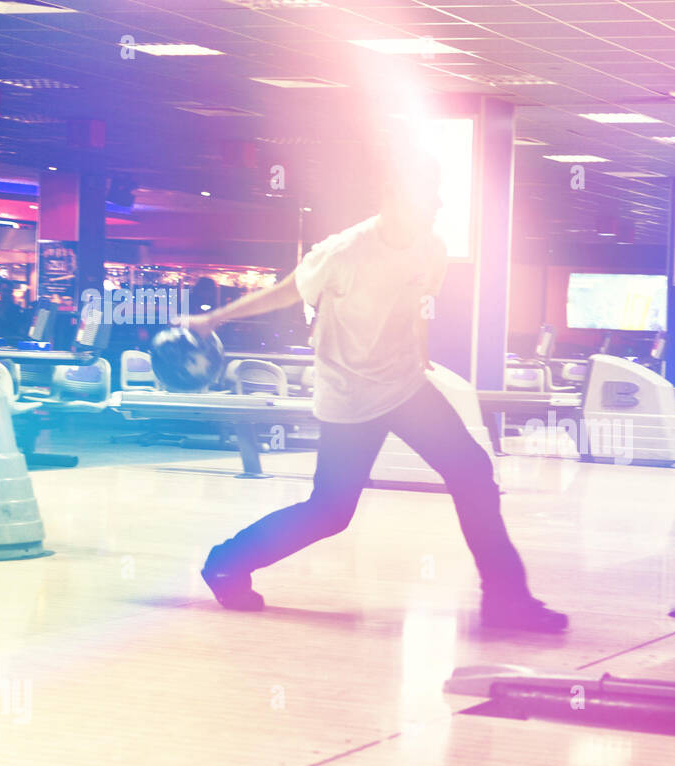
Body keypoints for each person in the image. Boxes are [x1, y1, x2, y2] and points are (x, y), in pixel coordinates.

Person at [175, 144, 567, 632]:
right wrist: (214, 319)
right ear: (391, 195)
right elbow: (287, 291)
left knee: (473, 474)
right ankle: (227, 562)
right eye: (427, 195)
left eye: (436, 194)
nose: (437, 204)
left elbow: (416, 302)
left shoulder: (431, 247)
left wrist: (420, 355)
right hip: (351, 397)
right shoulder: (345, 252)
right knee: (331, 511)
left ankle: (507, 601)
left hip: (404, 387)